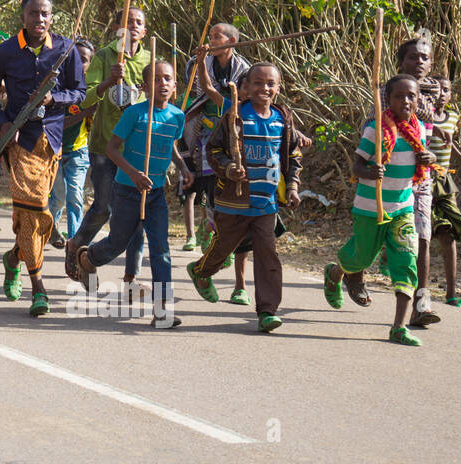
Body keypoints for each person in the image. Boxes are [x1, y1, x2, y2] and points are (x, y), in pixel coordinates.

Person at [0, 0, 87, 316]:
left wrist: (52, 99)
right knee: (38, 211)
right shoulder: (6, 51)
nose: (39, 20)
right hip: (19, 140)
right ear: (23, 17)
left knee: (31, 216)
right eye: (33, 14)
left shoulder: (66, 50)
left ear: (51, 18)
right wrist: (0, 122)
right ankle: (38, 289)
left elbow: (79, 93)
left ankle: (13, 258)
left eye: (45, 14)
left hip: (53, 142)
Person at [67, 59, 191, 328]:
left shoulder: (176, 116)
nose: (163, 84)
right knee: (117, 243)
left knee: (161, 250)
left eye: (167, 79)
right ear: (144, 86)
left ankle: (161, 310)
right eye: (156, 79)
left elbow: (172, 147)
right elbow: (112, 149)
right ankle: (88, 257)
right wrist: (133, 174)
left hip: (155, 192)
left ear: (175, 85)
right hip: (127, 190)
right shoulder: (134, 113)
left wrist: (183, 167)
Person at [184, 62, 302, 332]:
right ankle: (201, 271)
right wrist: (228, 167)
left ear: (278, 88)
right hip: (233, 200)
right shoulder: (235, 116)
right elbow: (213, 150)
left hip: (266, 203)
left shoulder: (282, 118)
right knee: (224, 247)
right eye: (258, 83)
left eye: (270, 84)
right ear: (246, 88)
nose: (265, 88)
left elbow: (293, 154)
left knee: (267, 255)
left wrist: (293, 187)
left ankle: (267, 311)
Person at [324, 74, 435, 346]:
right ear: (388, 99)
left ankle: (398, 327)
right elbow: (356, 167)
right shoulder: (375, 129)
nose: (406, 101)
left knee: (406, 263)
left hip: (402, 209)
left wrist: (429, 159)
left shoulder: (420, 129)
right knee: (361, 259)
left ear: (418, 98)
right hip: (369, 207)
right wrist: (371, 172)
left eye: (411, 96)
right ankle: (336, 272)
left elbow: (426, 163)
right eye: (399, 96)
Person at [65, 7, 152, 291]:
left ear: (145, 30)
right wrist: (107, 81)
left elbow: (162, 96)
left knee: (138, 213)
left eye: (138, 22)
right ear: (117, 28)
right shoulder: (104, 56)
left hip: (138, 148)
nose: (133, 26)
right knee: (103, 207)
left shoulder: (150, 60)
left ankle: (131, 275)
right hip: (105, 144)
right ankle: (77, 244)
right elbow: (86, 94)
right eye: (127, 22)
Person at [180, 23, 250, 252]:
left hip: (233, 131)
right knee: (205, 185)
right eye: (209, 36)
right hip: (206, 132)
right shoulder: (204, 62)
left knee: (225, 184)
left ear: (231, 42)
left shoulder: (243, 69)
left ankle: (216, 229)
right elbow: (205, 91)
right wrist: (200, 62)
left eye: (216, 37)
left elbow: (234, 98)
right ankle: (207, 225)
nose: (211, 41)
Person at [389, 39, 442, 327]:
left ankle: (422, 301)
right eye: (413, 57)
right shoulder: (393, 93)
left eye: (425, 57)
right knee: (373, 243)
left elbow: (433, 136)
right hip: (389, 183)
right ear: (402, 61)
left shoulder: (435, 94)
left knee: (422, 236)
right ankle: (348, 271)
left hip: (420, 180)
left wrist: (430, 156)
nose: (419, 61)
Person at [46, 37, 95, 248]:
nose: (79, 63)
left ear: (90, 64)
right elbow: (59, 123)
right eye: (74, 58)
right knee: (57, 197)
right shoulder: (57, 87)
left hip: (78, 150)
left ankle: (76, 240)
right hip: (54, 149)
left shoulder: (92, 90)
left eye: (83, 60)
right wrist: (85, 112)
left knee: (74, 194)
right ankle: (50, 229)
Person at [427, 77, 461, 306]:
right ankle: (387, 257)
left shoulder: (453, 117)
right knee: (416, 234)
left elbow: (449, 142)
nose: (442, 93)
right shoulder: (422, 116)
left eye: (446, 90)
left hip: (444, 182)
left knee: (448, 234)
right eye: (437, 89)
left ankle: (451, 293)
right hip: (421, 181)